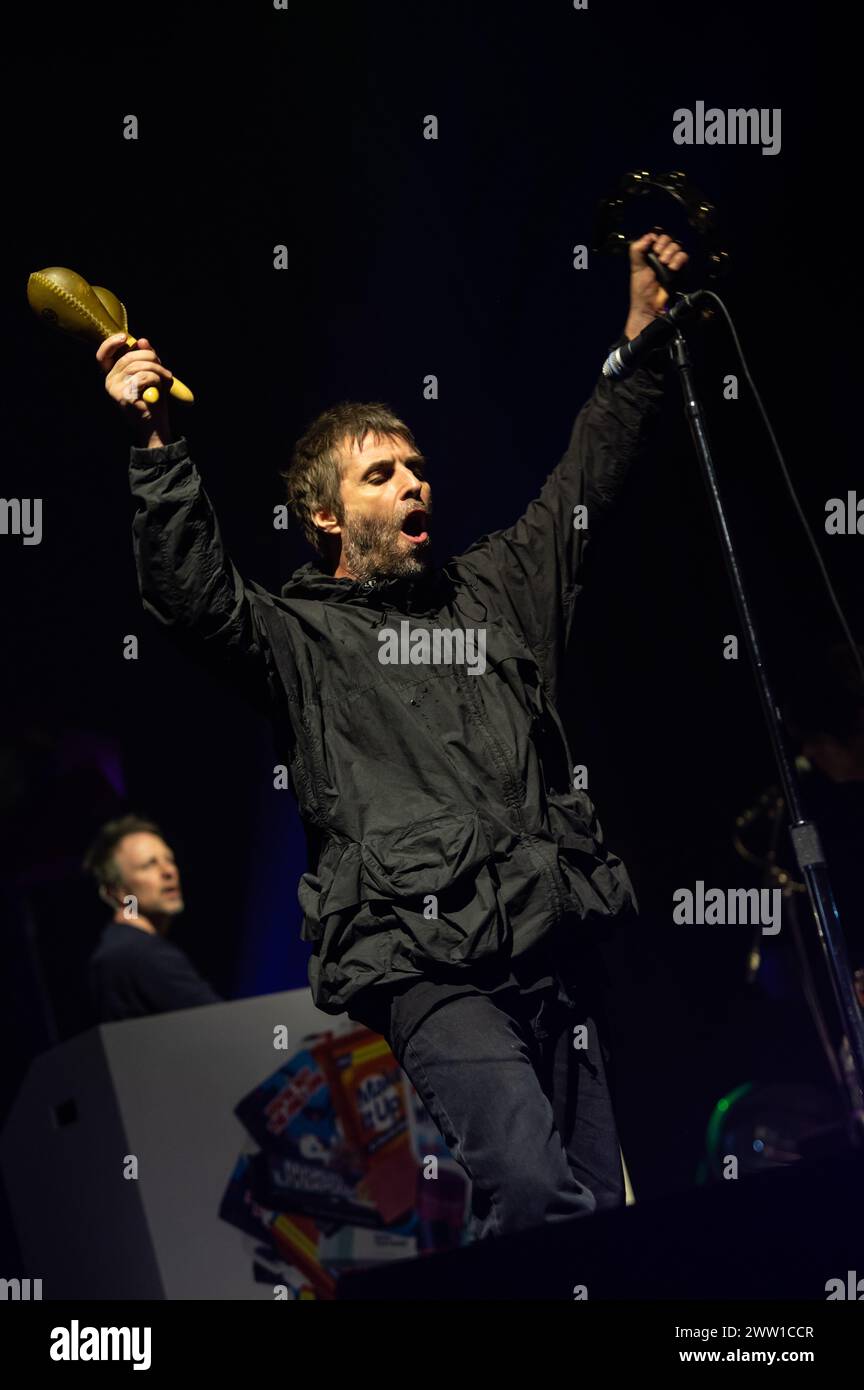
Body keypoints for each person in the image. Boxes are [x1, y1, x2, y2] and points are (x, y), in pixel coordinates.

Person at [96, 231, 687, 1239]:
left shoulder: (494, 589)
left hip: (549, 946)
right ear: (326, 517)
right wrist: (153, 443)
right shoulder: (299, 637)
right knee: (535, 1191)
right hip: (424, 966)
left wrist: (636, 343)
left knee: (598, 1221)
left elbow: (584, 483)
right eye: (382, 475)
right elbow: (190, 595)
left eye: (416, 467)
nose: (414, 483)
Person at [84, 814, 223, 1021]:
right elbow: (225, 1025)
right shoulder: (139, 954)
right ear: (117, 891)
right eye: (149, 865)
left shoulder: (114, 951)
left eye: (169, 860)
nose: (168, 871)